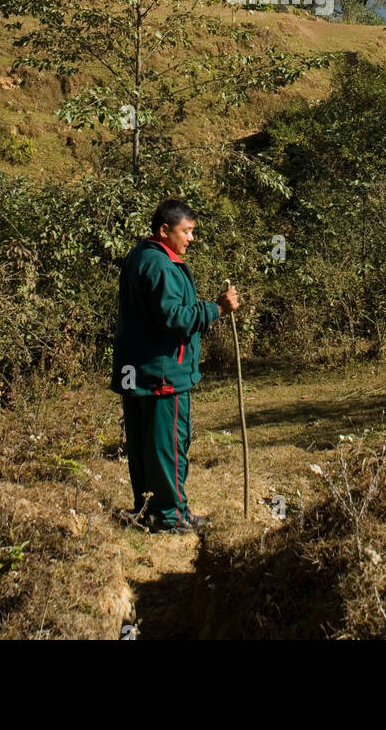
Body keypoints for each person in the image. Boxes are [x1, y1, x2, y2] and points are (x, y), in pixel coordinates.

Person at [110, 197, 239, 533]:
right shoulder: (163, 265)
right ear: (164, 230)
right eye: (187, 231)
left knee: (142, 445)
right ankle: (171, 517)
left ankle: (146, 510)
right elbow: (174, 319)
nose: (191, 238)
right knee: (169, 444)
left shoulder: (139, 255)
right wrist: (217, 309)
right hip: (163, 372)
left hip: (135, 372)